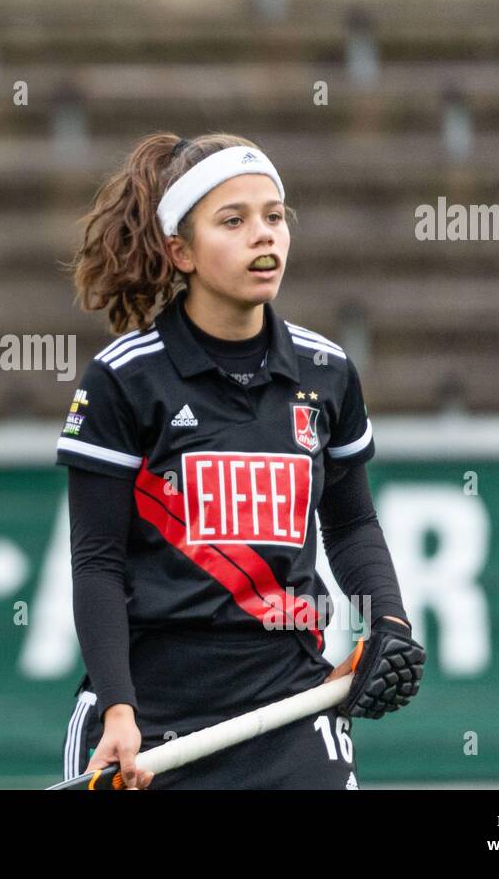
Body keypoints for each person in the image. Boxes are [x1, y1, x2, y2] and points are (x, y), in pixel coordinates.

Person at [55, 132, 424, 789]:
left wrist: (387, 620)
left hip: (293, 707)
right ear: (180, 251)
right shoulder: (125, 379)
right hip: (154, 723)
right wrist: (118, 708)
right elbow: (97, 560)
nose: (265, 237)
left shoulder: (327, 371)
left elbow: (351, 524)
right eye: (234, 220)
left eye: (274, 216)